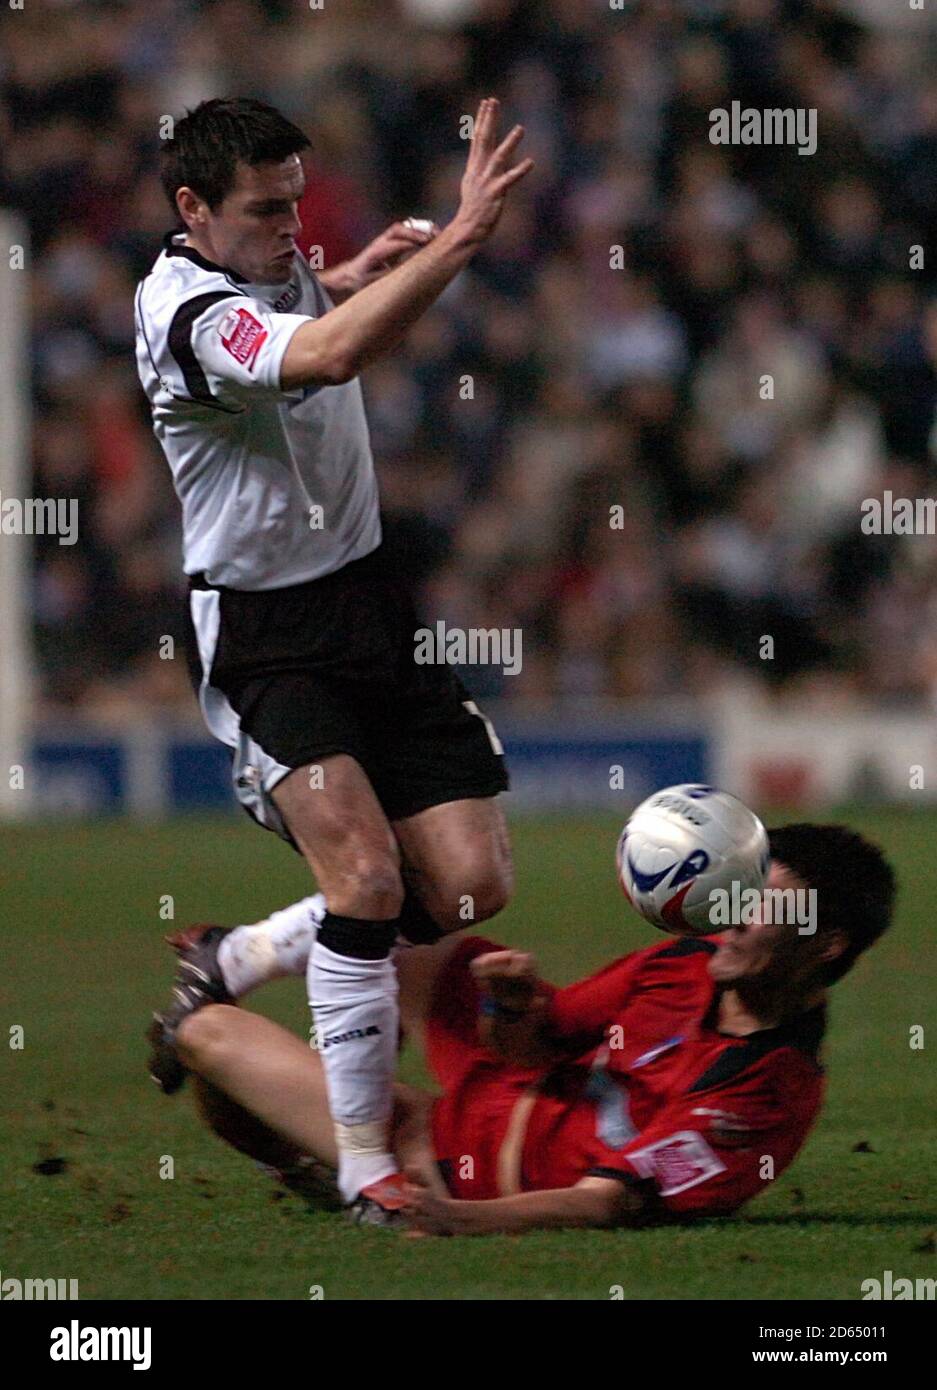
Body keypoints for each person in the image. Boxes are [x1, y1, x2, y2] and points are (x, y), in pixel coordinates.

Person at [134, 95, 532, 1218]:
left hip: (368, 604)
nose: (289, 227)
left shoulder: (269, 264)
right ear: (191, 209)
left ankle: (248, 950)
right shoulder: (185, 310)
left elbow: (319, 311)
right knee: (364, 880)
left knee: (466, 888)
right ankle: (367, 1168)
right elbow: (325, 356)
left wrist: (347, 271)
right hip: (269, 636)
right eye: (266, 211)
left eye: (297, 204)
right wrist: (456, 243)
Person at [159, 824, 895, 1233]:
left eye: (766, 905)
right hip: (468, 1101)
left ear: (825, 944)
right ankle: (248, 961)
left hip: (440, 1167)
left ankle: (345, 1170)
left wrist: (454, 1219)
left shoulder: (765, 1092)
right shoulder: (684, 961)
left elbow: (613, 1202)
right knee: (424, 926)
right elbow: (539, 1041)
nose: (733, 916)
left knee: (207, 1036)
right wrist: (512, 1004)